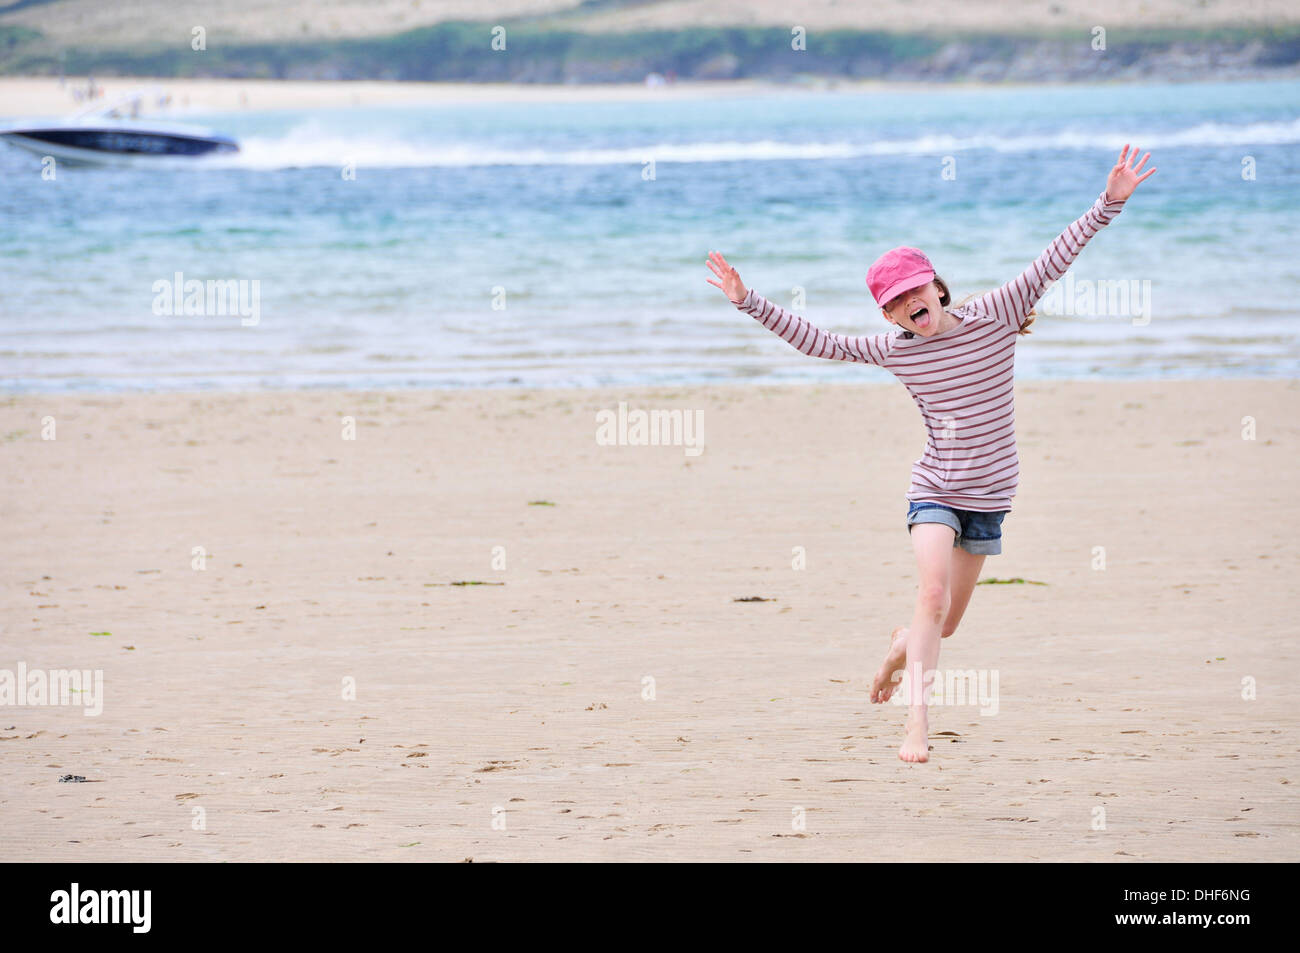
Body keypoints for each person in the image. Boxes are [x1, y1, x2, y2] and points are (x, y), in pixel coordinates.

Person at [706, 145, 1156, 762]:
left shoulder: (996, 314)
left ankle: (901, 648)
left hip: (992, 497)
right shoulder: (896, 350)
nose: (905, 307)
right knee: (931, 598)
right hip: (936, 489)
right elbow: (820, 342)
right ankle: (916, 727)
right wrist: (747, 300)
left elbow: (1055, 258)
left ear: (935, 285)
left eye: (911, 292)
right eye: (891, 303)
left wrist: (1109, 203)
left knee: (942, 626)